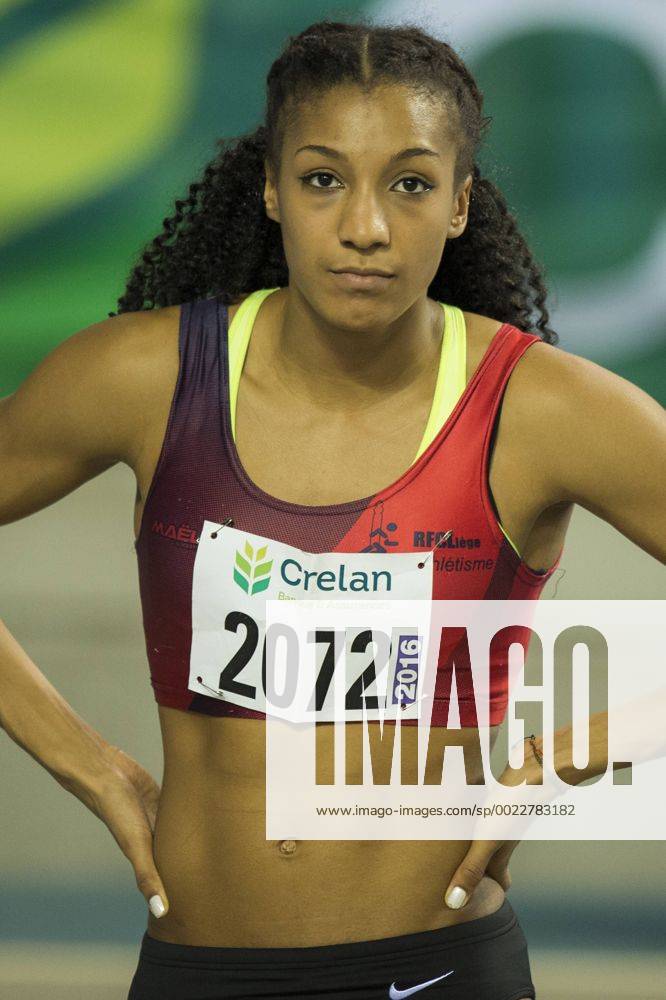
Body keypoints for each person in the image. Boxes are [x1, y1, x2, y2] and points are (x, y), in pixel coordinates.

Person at [1, 17, 664, 1000]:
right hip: (199, 970)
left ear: (458, 202)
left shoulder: (545, 409)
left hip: (436, 970)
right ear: (271, 186)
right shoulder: (144, 377)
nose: (365, 226)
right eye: (323, 179)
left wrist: (574, 748)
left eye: (409, 182)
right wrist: (83, 762)